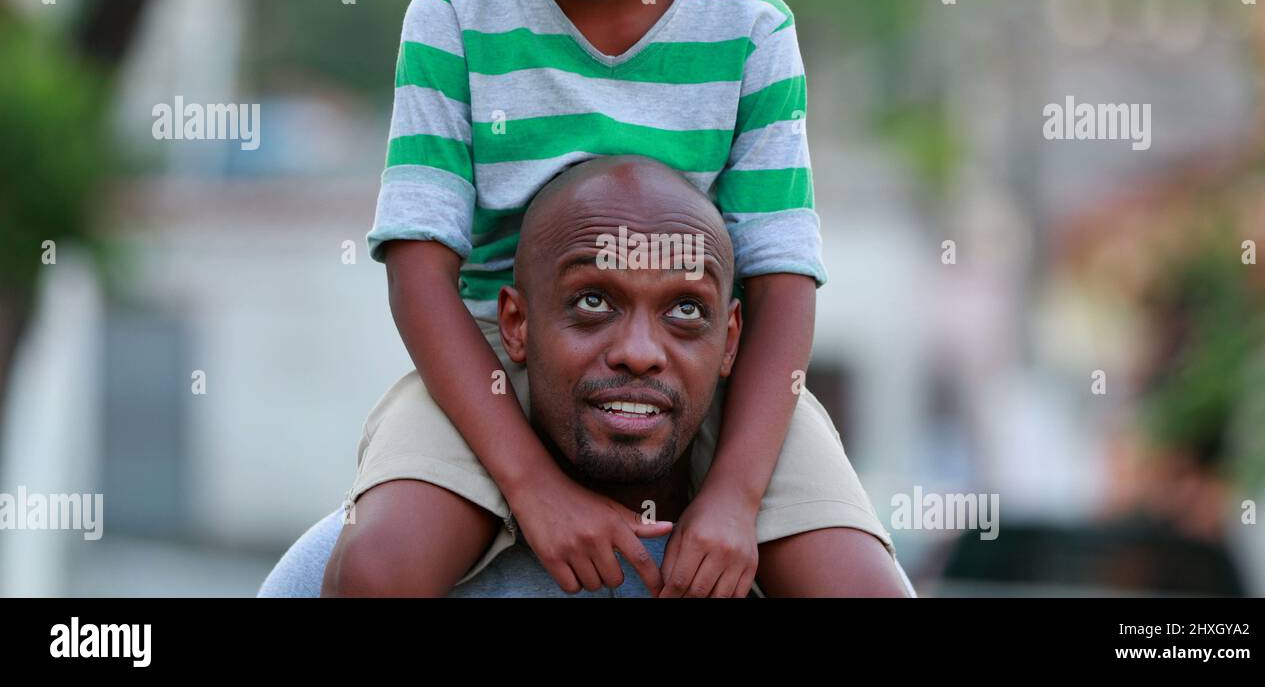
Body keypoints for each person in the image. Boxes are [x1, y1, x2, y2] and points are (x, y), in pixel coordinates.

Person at [339, 0, 894, 597]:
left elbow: (781, 279)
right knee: (377, 569)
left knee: (862, 587)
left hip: (699, 357)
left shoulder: (751, 29)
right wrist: (532, 487)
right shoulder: (453, 15)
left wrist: (735, 494)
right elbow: (418, 269)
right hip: (493, 349)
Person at [260, 158, 911, 597]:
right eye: (593, 302)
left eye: (685, 310)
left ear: (731, 340)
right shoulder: (336, 571)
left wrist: (738, 499)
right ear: (514, 323)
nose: (638, 351)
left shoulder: (755, 30)